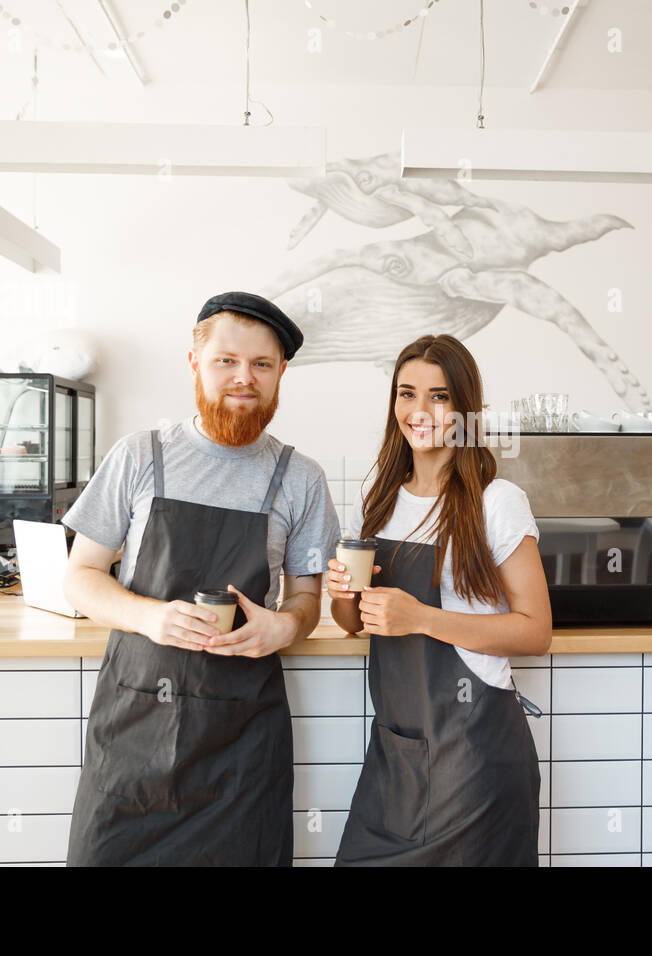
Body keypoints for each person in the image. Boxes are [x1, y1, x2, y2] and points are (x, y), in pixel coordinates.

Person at [62, 291, 340, 866]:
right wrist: (150, 616)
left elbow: (309, 598)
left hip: (241, 751)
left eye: (262, 364)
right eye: (226, 361)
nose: (244, 378)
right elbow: (81, 576)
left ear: (281, 372)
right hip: (134, 738)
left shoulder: (300, 479)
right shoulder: (141, 457)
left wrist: (284, 628)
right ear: (195, 363)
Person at [328, 333, 551, 866]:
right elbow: (353, 622)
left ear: (465, 408)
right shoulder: (377, 498)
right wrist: (342, 594)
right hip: (399, 751)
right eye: (407, 394)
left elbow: (534, 631)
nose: (419, 410)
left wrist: (423, 617)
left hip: (474, 756)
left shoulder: (497, 503)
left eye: (440, 396)